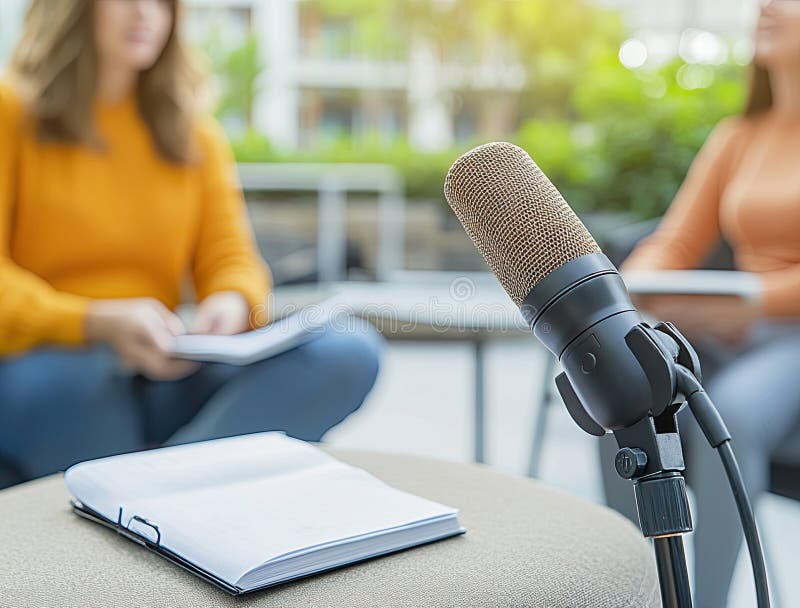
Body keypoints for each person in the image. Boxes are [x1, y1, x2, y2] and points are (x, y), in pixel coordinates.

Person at [0, 0, 382, 489]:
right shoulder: (12, 113)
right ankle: (166, 496)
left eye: (162, 2)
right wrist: (93, 322)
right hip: (46, 364)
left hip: (160, 362)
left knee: (347, 351)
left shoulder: (195, 135)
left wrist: (231, 302)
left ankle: (162, 491)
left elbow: (232, 259)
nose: (145, 13)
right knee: (73, 388)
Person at [600, 1, 800, 605]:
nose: (766, 5)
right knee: (621, 386)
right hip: (730, 328)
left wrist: (759, 303)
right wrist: (631, 292)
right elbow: (674, 242)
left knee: (732, 414)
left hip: (791, 334)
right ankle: (642, 589)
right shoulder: (738, 136)